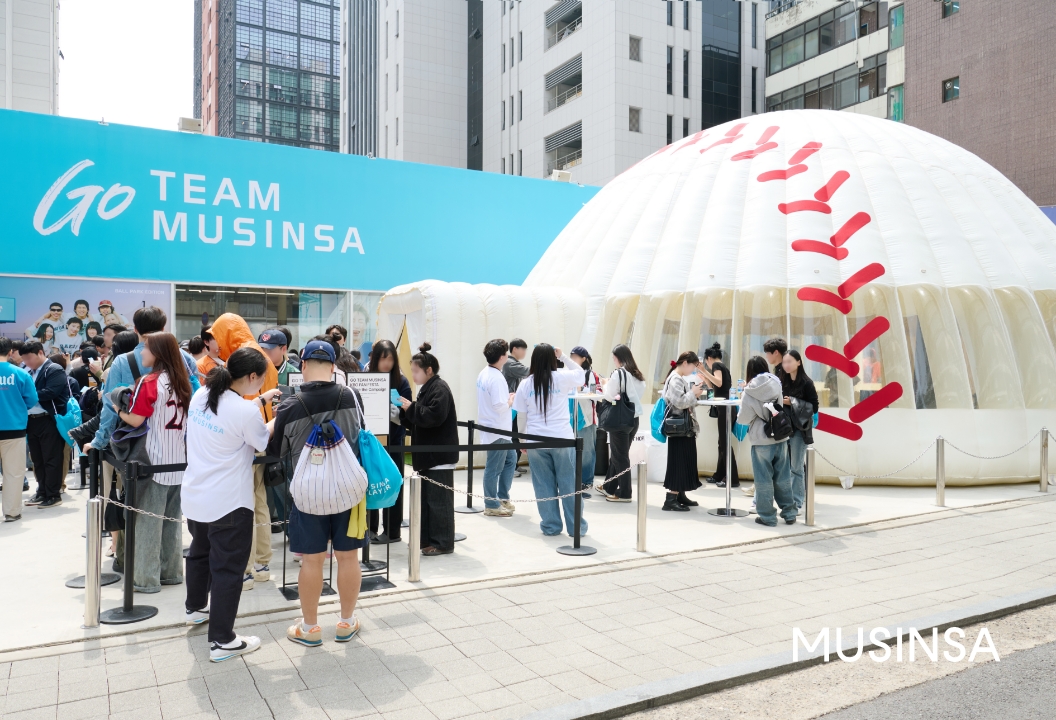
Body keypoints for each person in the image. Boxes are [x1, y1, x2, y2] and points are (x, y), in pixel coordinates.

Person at [182, 347, 278, 662]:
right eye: (261, 382)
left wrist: (260, 401)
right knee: (228, 570)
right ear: (251, 377)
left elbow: (231, 415)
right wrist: (275, 416)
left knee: (199, 553)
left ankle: (196, 609)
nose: (261, 387)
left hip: (196, 495)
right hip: (228, 503)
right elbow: (261, 440)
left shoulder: (203, 395)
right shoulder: (245, 412)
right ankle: (223, 640)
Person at [269, 339, 367, 647]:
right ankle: (346, 623)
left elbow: (276, 452)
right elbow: (360, 436)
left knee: (312, 561)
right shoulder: (352, 395)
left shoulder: (290, 404)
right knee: (348, 556)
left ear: (303, 366)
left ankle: (310, 628)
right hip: (348, 490)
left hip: (308, 494)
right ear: (334, 367)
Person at [205, 313, 279, 590]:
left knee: (243, 505)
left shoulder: (240, 358)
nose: (215, 341)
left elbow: (237, 406)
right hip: (261, 440)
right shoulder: (260, 356)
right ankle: (261, 563)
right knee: (259, 503)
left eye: (217, 334)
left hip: (241, 443)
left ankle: (245, 568)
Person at [119, 332, 192, 593]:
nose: (141, 352)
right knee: (172, 522)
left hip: (153, 461)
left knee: (148, 523)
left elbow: (136, 420)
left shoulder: (149, 382)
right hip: (179, 463)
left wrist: (116, 408)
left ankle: (145, 580)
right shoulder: (182, 381)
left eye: (146, 348)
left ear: (158, 353)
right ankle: (171, 573)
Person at [512, 344, 588, 537]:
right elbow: (581, 374)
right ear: (553, 360)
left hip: (536, 441)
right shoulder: (561, 377)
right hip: (562, 439)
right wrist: (564, 356)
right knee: (569, 484)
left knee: (543, 485)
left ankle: (551, 526)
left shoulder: (526, 383)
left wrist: (522, 440)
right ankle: (576, 528)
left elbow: (521, 415)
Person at [398, 344, 457, 556]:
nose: (413, 375)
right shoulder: (428, 388)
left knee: (438, 503)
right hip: (430, 456)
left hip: (438, 456)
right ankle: (427, 540)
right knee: (428, 503)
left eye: (416, 371)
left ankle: (442, 543)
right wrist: (407, 412)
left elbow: (434, 416)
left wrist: (410, 408)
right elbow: (422, 416)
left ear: (428, 370)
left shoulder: (439, 388)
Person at [739, 356, 797, 527]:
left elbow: (743, 419)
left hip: (761, 439)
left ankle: (768, 517)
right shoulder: (776, 382)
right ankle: (789, 512)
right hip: (780, 435)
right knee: (783, 477)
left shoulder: (748, 391)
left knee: (763, 479)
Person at [367, 339, 409, 542]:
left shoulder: (401, 382)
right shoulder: (366, 378)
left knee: (394, 484)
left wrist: (398, 413)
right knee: (370, 484)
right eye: (383, 359)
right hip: (371, 443)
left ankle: (392, 531)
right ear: (375, 359)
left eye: (390, 359)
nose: (386, 364)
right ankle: (369, 528)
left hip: (394, 441)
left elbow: (408, 413)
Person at [21, 341, 71, 509]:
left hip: (49, 420)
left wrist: (26, 396)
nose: (27, 362)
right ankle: (42, 491)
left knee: (51, 458)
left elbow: (51, 392)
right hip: (32, 421)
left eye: (29, 358)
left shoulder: (54, 369)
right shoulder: (28, 371)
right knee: (37, 459)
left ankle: (53, 494)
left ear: (40, 353)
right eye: (24, 359)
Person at [599, 344, 645, 502]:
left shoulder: (619, 373)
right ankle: (608, 487)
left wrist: (605, 383)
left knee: (620, 457)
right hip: (634, 417)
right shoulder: (637, 374)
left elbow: (610, 395)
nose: (613, 361)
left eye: (613, 358)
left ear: (618, 358)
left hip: (619, 419)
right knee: (619, 455)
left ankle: (625, 493)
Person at [476, 339, 517, 518]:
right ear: (502, 356)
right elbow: (500, 406)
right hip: (498, 428)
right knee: (494, 467)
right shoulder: (496, 377)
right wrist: (511, 400)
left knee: (510, 459)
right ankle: (491, 503)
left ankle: (501, 498)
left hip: (493, 427)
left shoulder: (484, 373)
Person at [0, 337, 38, 522]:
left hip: (13, 430)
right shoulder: (21, 374)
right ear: (9, 352)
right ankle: (12, 511)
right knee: (13, 473)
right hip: (14, 430)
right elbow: (31, 400)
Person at [661, 351, 705, 511]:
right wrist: (693, 393)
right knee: (679, 462)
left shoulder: (677, 378)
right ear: (685, 363)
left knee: (684, 460)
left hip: (680, 428)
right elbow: (679, 402)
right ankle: (670, 499)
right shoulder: (675, 379)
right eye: (693, 366)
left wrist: (694, 395)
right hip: (679, 428)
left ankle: (679, 494)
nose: (693, 370)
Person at [781, 350, 819, 513]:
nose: (786, 365)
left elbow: (814, 406)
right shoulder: (782, 380)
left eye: (789, 361)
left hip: (799, 429)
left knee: (796, 467)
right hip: (783, 428)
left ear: (798, 362)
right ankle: (786, 499)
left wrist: (793, 402)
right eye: (784, 362)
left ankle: (797, 501)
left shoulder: (806, 383)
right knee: (784, 467)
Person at [697, 342, 739, 488]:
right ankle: (719, 475)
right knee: (722, 442)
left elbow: (719, 383)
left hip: (726, 409)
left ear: (709, 358)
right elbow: (714, 388)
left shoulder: (716, 366)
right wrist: (706, 378)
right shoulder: (722, 367)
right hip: (726, 409)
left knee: (724, 443)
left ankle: (732, 478)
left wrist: (705, 371)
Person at [568, 346, 600, 492]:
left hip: (586, 418)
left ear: (583, 359)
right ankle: (575, 480)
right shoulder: (570, 374)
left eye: (576, 357)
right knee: (573, 450)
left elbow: (595, 392)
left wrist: (583, 389)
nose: (573, 359)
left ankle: (586, 482)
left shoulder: (589, 374)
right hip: (571, 418)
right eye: (571, 356)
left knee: (587, 451)